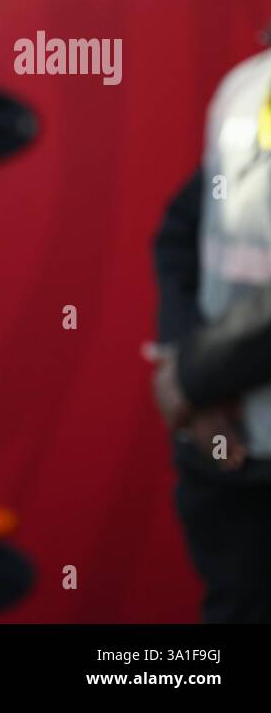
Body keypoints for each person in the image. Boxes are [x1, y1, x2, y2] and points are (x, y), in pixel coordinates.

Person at [147, 35, 271, 622]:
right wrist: (185, 366)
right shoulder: (246, 88)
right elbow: (182, 236)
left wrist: (192, 379)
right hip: (231, 465)